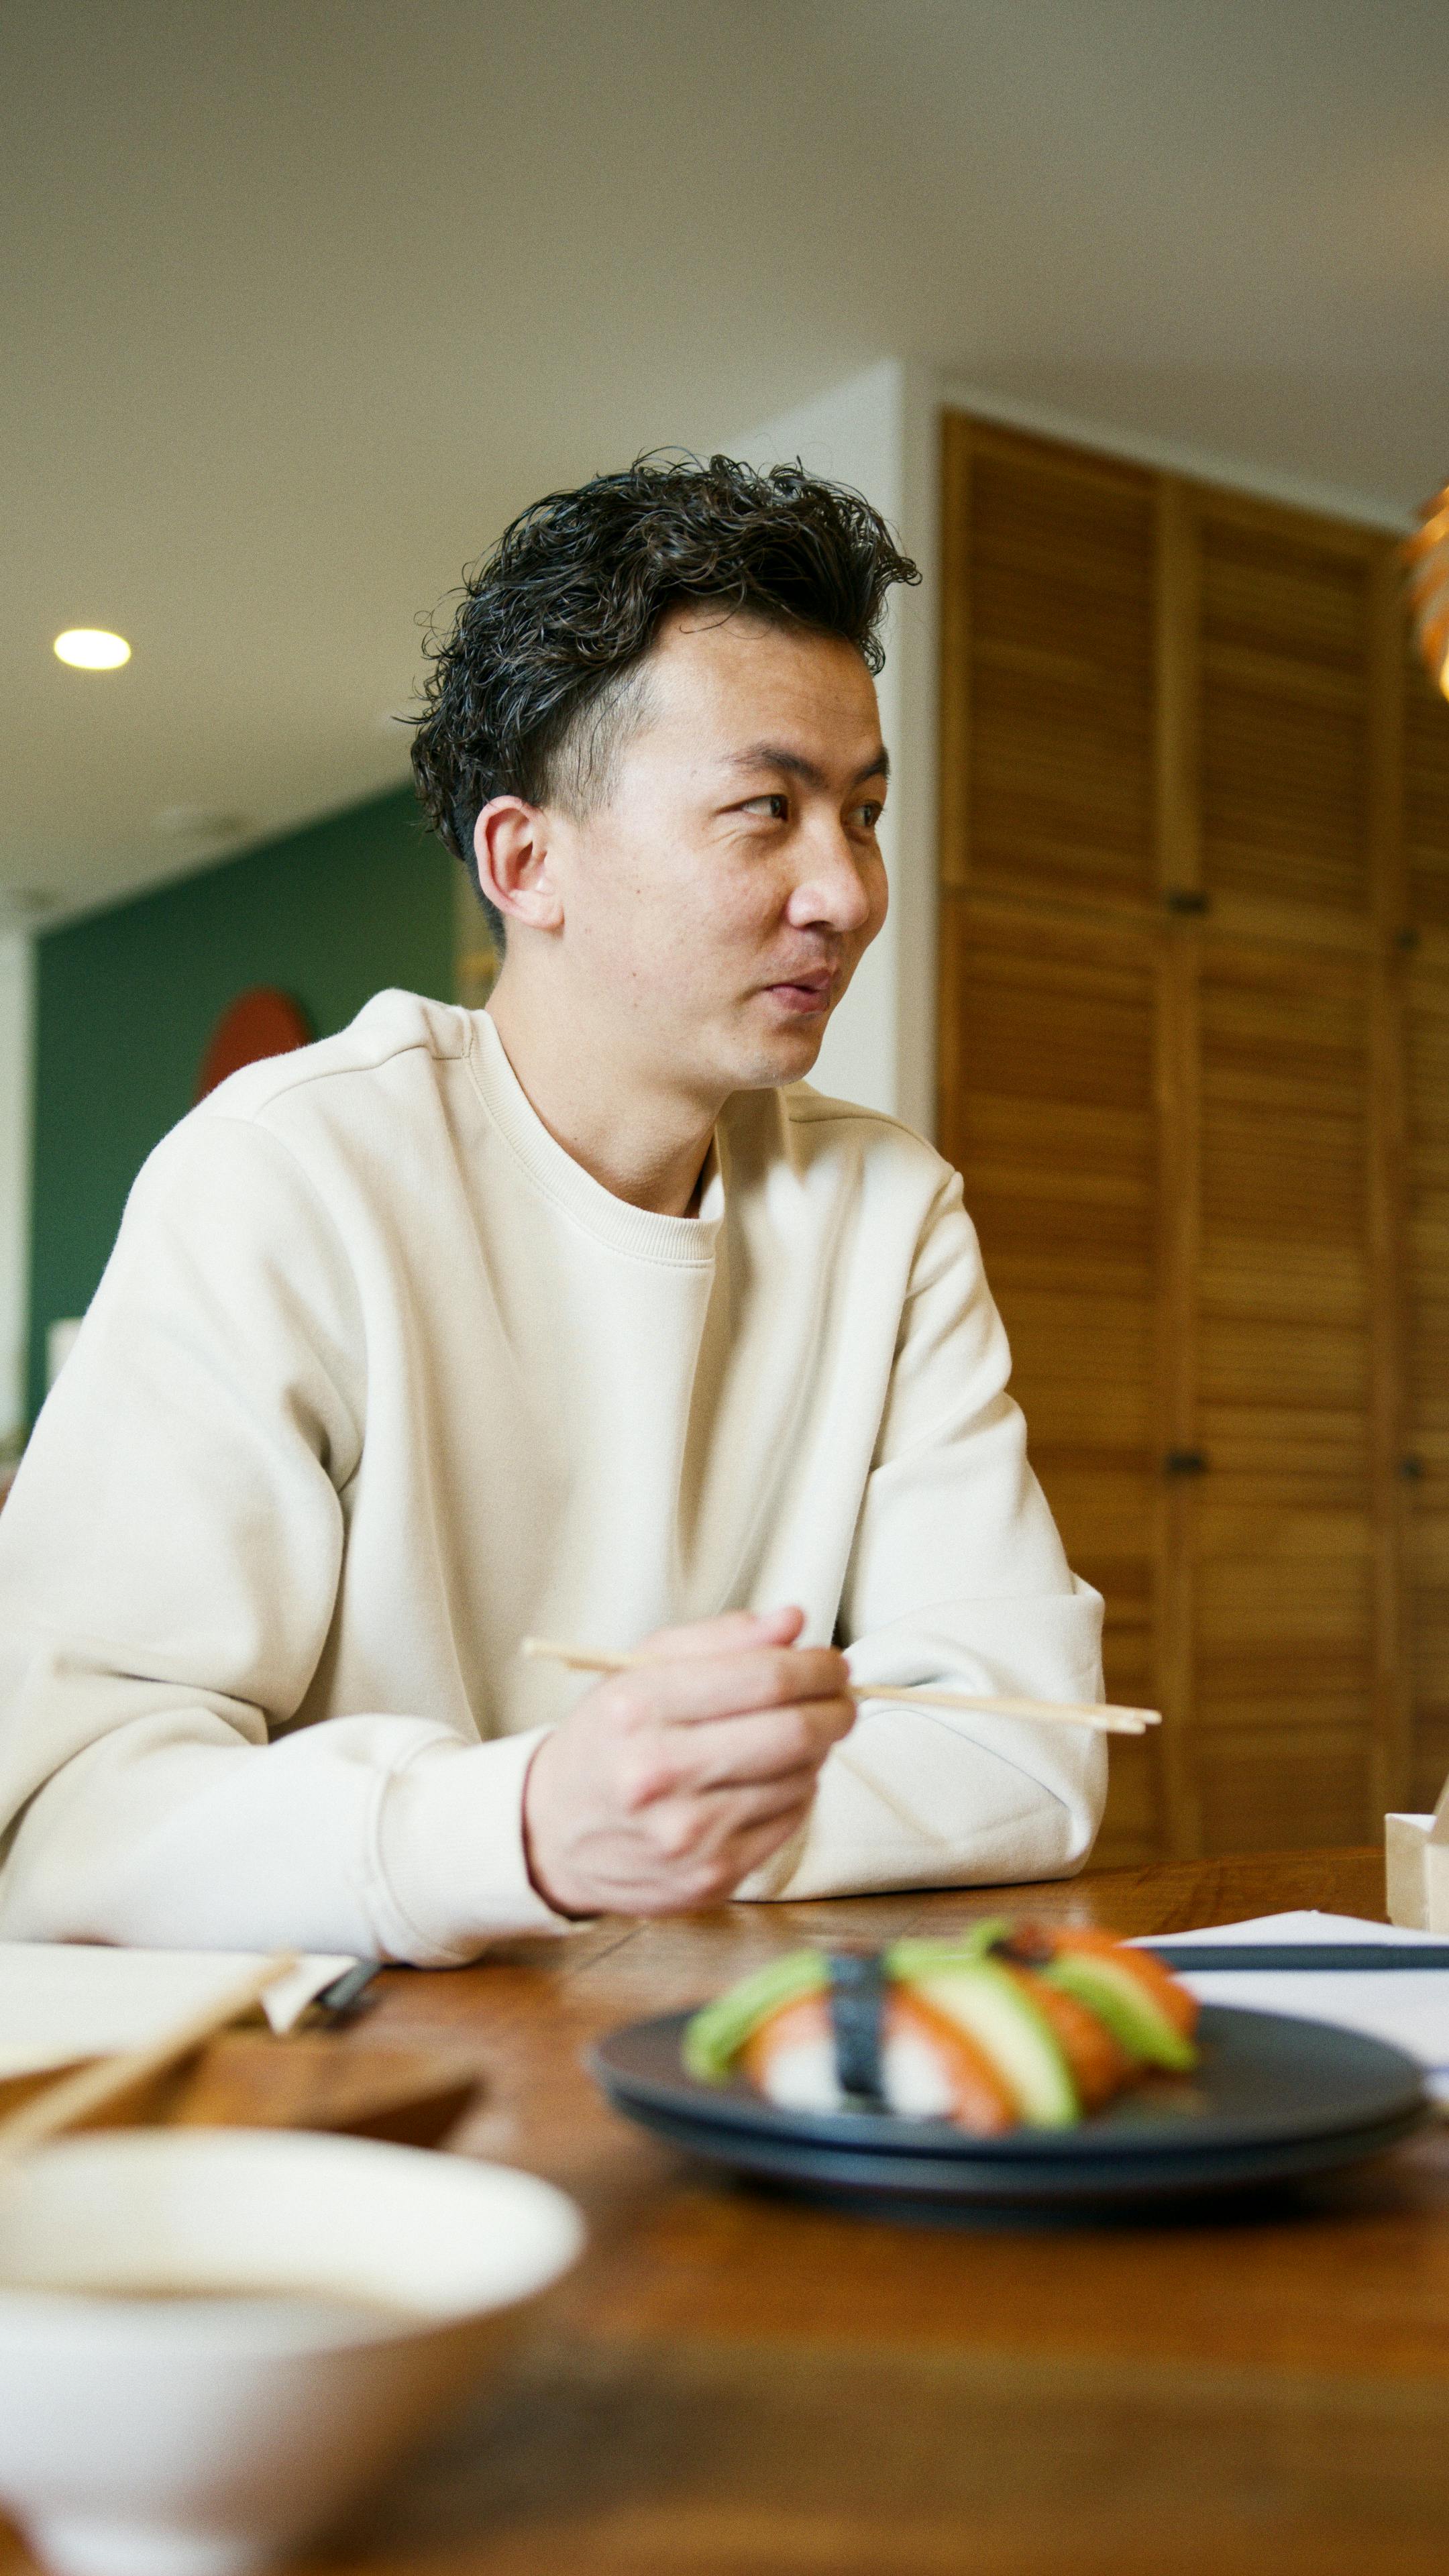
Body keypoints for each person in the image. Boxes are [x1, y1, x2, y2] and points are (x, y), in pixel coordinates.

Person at [0, 457, 1104, 1960]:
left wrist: (643, 1827)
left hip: (714, 2052)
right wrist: (525, 1825)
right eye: (766, 810)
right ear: (527, 861)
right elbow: (67, 1818)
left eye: (864, 814)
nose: (844, 892)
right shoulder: (285, 1169)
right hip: (353, 2098)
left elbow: (1026, 1751)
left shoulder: (885, 1206)